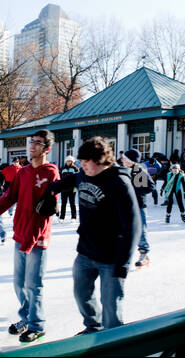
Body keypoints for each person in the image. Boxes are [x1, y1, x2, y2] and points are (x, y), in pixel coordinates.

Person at [0, 131, 59, 343]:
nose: (32, 146)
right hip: (20, 235)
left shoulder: (51, 173)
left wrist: (31, 240)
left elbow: (46, 210)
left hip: (37, 239)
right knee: (19, 283)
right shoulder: (23, 172)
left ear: (47, 148)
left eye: (38, 143)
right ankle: (27, 319)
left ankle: (37, 325)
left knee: (34, 284)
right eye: (32, 142)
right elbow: (7, 199)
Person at [67, 137, 141, 335]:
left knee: (111, 307)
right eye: (80, 162)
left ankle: (113, 342)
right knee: (81, 295)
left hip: (112, 258)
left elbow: (133, 226)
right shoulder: (83, 174)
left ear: (100, 160)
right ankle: (93, 327)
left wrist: (123, 264)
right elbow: (72, 179)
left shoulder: (119, 182)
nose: (81, 166)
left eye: (85, 162)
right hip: (85, 253)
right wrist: (51, 189)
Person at [121, 149, 154, 268]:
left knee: (140, 230)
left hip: (138, 205)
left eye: (125, 158)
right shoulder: (125, 170)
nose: (122, 160)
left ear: (130, 160)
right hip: (126, 205)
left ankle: (144, 253)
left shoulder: (138, 170)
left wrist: (134, 191)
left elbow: (151, 187)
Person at [57, 156, 79, 222]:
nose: (68, 162)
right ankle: (62, 217)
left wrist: (76, 189)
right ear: (66, 162)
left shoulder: (75, 169)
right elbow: (59, 178)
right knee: (63, 203)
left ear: (72, 162)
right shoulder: (62, 169)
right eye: (67, 161)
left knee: (72, 203)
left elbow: (77, 180)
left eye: (70, 161)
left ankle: (73, 217)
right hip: (64, 189)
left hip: (72, 189)